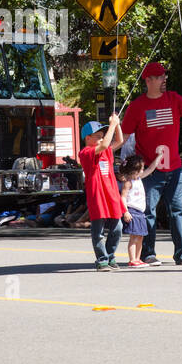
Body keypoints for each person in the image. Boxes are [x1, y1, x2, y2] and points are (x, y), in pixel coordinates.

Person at [121, 61, 182, 265]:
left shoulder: (173, 98)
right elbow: (124, 135)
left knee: (179, 211)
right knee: (148, 212)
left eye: (165, 76)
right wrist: (103, 150)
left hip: (175, 169)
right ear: (149, 80)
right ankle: (148, 253)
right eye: (161, 76)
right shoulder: (137, 107)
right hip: (149, 171)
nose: (165, 79)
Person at [79, 116, 125, 270]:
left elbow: (119, 141)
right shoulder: (86, 153)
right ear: (88, 138)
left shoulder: (106, 151)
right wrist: (111, 125)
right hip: (97, 197)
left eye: (102, 136)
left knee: (117, 228)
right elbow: (106, 143)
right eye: (98, 137)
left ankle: (111, 256)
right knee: (98, 232)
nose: (101, 139)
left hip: (111, 196)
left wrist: (117, 124)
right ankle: (102, 259)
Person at [120, 154, 161, 267]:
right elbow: (122, 197)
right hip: (132, 211)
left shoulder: (139, 178)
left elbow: (151, 168)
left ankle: (138, 259)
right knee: (134, 237)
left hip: (140, 212)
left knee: (141, 237)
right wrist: (125, 211)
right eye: (141, 169)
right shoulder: (128, 182)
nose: (143, 170)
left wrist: (159, 157)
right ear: (134, 170)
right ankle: (132, 259)